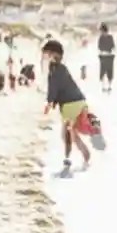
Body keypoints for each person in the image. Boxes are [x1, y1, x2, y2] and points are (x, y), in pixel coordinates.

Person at [41, 39, 91, 171]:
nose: (45, 56)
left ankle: (68, 160)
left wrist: (49, 102)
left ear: (54, 55)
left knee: (67, 132)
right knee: (70, 133)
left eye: (47, 53)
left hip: (70, 103)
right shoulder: (59, 68)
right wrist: (52, 102)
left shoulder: (56, 70)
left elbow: (54, 88)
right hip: (76, 101)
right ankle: (85, 153)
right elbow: (58, 88)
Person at [97, 23, 116, 93]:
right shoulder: (108, 37)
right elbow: (112, 46)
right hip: (108, 56)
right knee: (107, 71)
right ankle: (107, 86)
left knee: (105, 71)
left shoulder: (102, 38)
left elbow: (99, 47)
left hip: (105, 56)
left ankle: (106, 86)